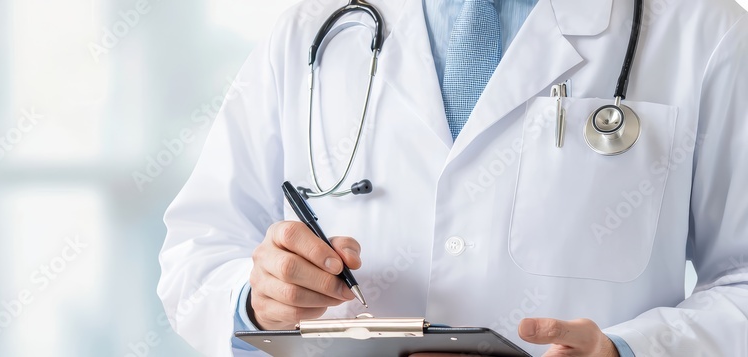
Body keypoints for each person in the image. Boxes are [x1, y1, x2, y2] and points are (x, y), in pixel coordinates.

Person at [158, 0, 748, 356]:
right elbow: (199, 249)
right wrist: (257, 301)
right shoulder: (316, 27)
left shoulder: (699, 29)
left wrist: (629, 351)